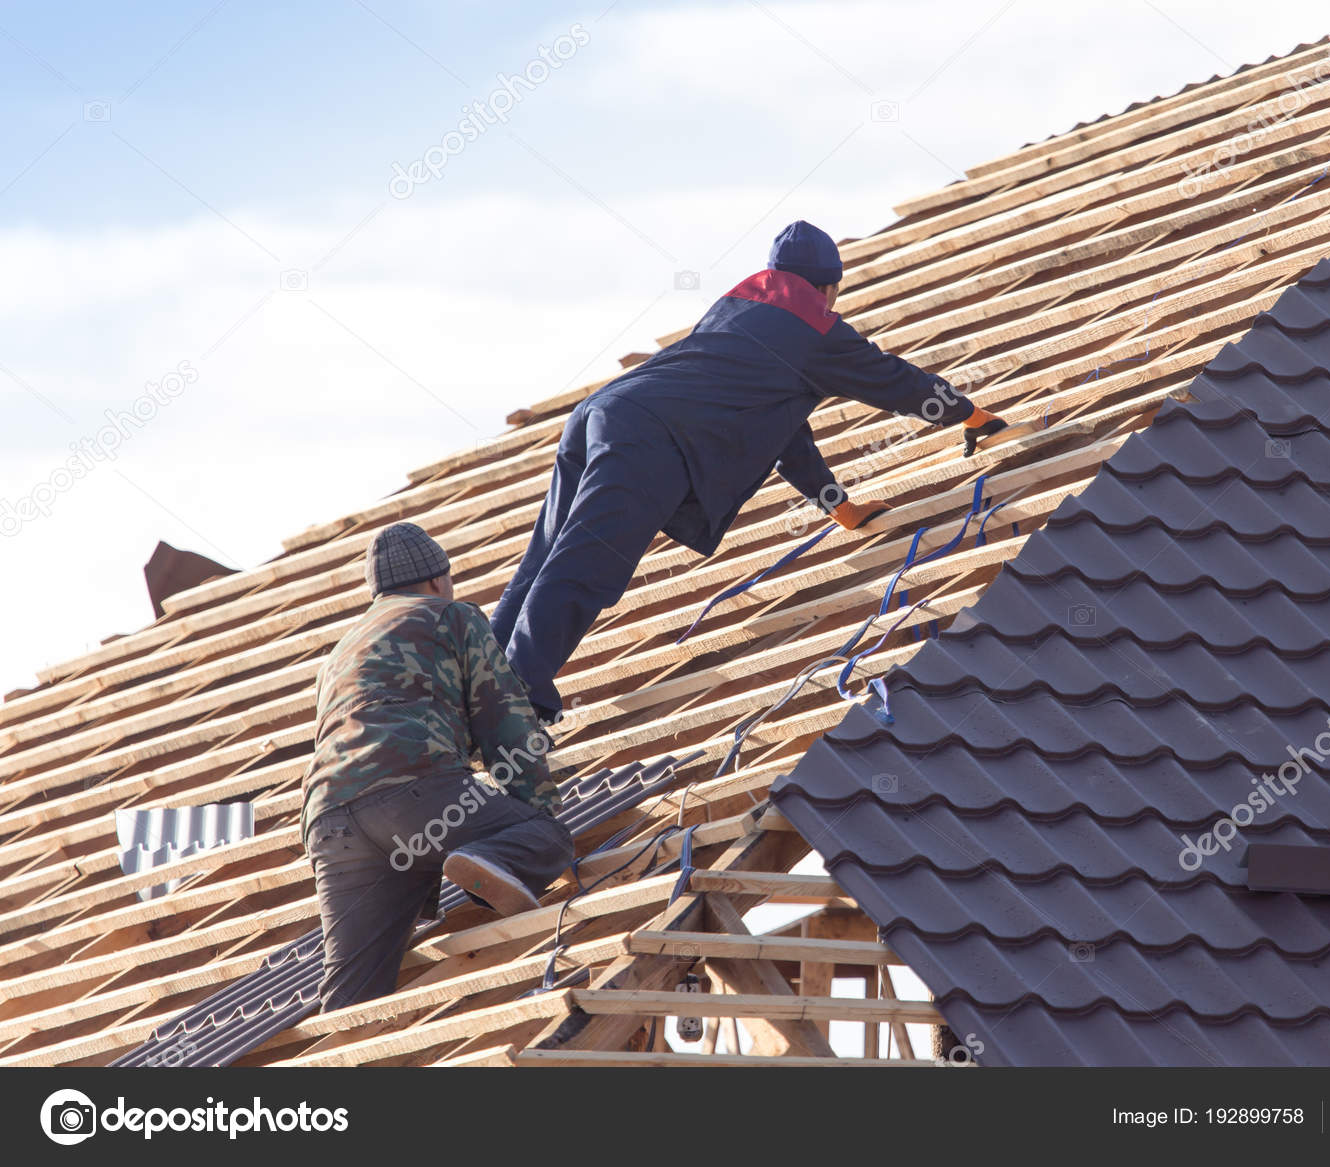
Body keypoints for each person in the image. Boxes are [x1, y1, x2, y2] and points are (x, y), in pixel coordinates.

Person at [491, 219, 1007, 719]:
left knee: (547, 554)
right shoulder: (815, 328)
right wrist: (973, 415)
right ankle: (514, 702)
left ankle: (480, 680)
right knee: (587, 567)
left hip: (598, 413)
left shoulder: (734, 310)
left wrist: (839, 507)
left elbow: (781, 430)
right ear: (828, 287)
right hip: (647, 438)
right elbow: (897, 382)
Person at [301, 522, 572, 1011]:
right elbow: (504, 723)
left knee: (351, 1001)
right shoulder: (451, 616)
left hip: (330, 823)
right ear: (435, 581)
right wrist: (538, 822)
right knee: (546, 837)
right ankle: (495, 857)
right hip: (415, 796)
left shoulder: (339, 654)